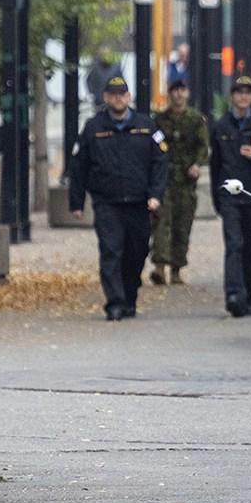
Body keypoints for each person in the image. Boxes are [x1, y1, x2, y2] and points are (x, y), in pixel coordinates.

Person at [69, 76, 168, 320]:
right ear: (105, 98)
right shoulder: (94, 128)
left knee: (136, 252)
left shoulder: (147, 126)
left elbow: (160, 163)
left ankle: (129, 296)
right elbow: (79, 166)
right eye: (113, 94)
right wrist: (76, 202)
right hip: (107, 202)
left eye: (122, 94)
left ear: (129, 96)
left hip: (138, 202)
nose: (118, 98)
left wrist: (156, 195)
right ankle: (114, 302)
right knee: (111, 251)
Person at [209, 75, 251, 317]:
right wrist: (217, 199)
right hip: (230, 197)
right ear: (232, 96)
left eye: (248, 92)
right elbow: (215, 164)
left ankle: (249, 295)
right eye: (239, 92)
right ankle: (234, 295)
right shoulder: (221, 127)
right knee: (234, 244)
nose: (244, 96)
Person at [149, 80, 209, 286]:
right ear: (169, 94)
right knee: (161, 223)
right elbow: (153, 146)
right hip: (164, 179)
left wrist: (197, 164)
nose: (178, 95)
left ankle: (176, 269)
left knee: (182, 225)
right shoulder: (159, 120)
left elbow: (203, 146)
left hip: (185, 181)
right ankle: (159, 267)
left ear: (188, 93)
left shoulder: (195, 120)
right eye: (175, 91)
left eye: (182, 91)